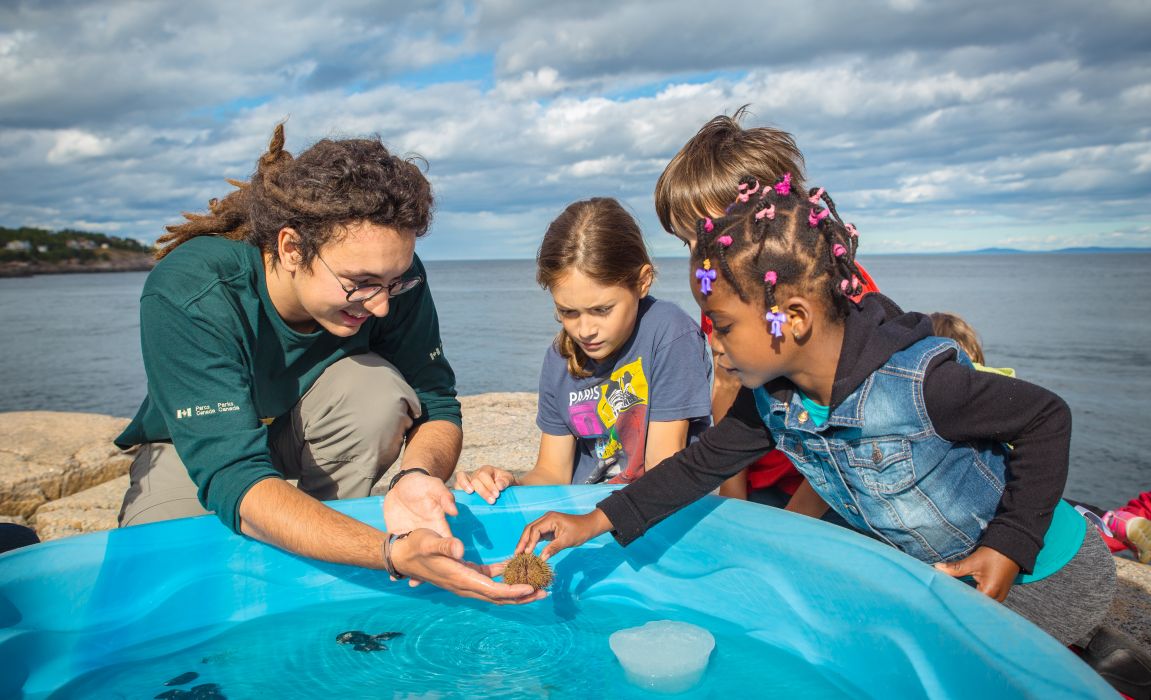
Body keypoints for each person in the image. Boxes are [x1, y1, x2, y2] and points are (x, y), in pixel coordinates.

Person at [517, 174, 1118, 650]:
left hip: (1048, 575)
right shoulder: (773, 399)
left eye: (723, 327)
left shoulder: (917, 382)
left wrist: (1009, 546)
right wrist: (591, 522)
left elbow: (1046, 418)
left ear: (793, 318)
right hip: (965, 592)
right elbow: (693, 469)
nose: (714, 346)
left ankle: (1095, 646)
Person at [114, 124, 542, 604]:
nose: (380, 304)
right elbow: (233, 475)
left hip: (302, 430)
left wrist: (416, 476)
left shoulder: (394, 281)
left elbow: (437, 404)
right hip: (194, 452)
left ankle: (330, 571)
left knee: (374, 392)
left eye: (394, 280)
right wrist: (390, 553)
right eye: (360, 282)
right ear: (291, 248)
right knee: (161, 584)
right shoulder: (193, 289)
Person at [652, 108, 876, 521]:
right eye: (691, 246)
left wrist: (790, 525)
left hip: (840, 490)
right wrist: (734, 497)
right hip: (760, 480)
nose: (703, 261)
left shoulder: (840, 288)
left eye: (710, 240)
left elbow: (853, 433)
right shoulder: (724, 295)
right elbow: (724, 389)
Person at [455, 198, 712, 503]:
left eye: (602, 309)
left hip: (652, 512)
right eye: (568, 312)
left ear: (643, 282)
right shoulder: (559, 358)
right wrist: (509, 485)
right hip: (582, 517)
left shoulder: (670, 335)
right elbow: (553, 473)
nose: (585, 330)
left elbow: (662, 470)